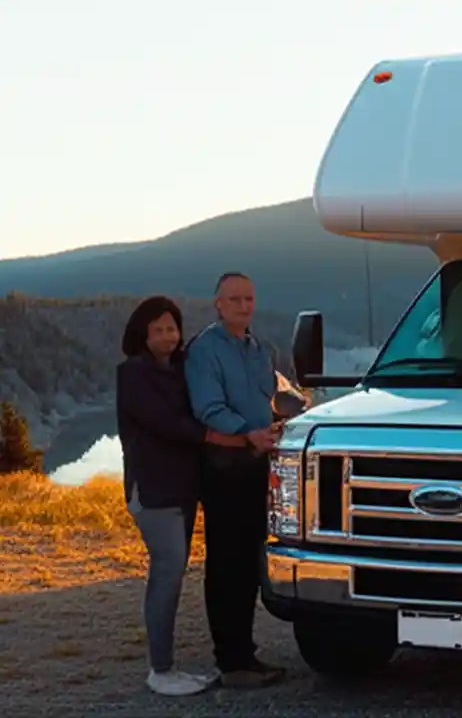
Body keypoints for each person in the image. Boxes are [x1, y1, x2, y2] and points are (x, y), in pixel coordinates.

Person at [116, 295, 249, 696]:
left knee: (172, 572)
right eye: (158, 329)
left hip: (182, 490)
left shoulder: (180, 369)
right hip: (154, 491)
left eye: (172, 328)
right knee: (167, 574)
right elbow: (166, 423)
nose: (167, 336)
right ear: (142, 334)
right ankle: (161, 669)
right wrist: (218, 435)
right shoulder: (133, 374)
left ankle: (168, 665)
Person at [184, 272, 286, 688]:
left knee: (248, 559)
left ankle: (245, 652)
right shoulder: (204, 350)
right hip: (225, 465)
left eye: (249, 298)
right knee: (227, 561)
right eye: (234, 299)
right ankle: (231, 660)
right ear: (218, 304)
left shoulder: (260, 349)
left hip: (257, 462)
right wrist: (249, 432)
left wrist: (280, 423)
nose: (244, 306)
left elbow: (271, 398)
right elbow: (208, 407)